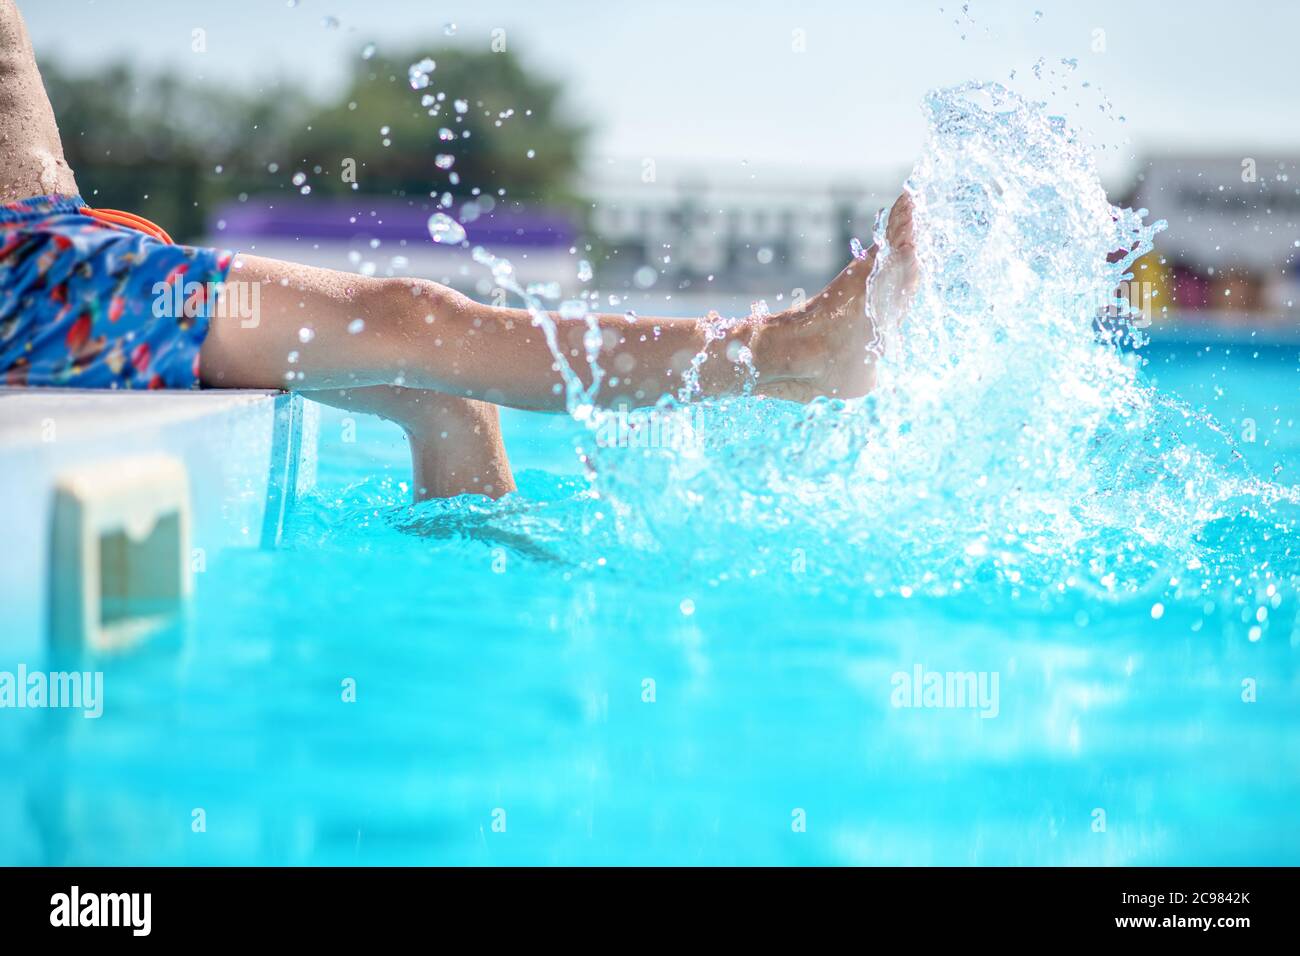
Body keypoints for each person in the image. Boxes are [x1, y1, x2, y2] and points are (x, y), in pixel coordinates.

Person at [0, 0, 916, 501]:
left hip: (68, 252)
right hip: (38, 284)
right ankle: (782, 352)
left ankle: (494, 674)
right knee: (416, 320)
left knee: (449, 396)